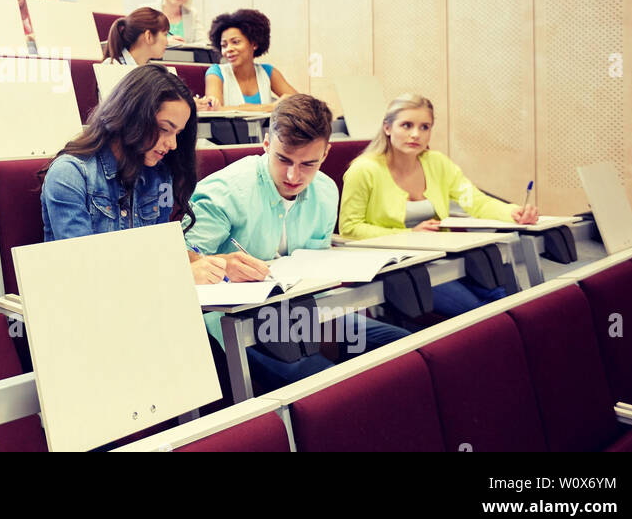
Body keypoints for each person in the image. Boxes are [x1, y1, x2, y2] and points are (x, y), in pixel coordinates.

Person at [184, 94, 410, 391]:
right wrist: (219, 266)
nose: (294, 175)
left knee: (405, 350)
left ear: (326, 153)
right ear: (266, 143)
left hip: (308, 314)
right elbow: (183, 262)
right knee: (326, 383)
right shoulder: (224, 192)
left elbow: (317, 267)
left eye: (308, 164)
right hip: (244, 326)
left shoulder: (327, 192)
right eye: (283, 159)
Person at [338, 93, 539, 316]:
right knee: (479, 313)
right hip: (398, 268)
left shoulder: (437, 163)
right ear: (387, 128)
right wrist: (408, 234)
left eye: (425, 127)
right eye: (406, 125)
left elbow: (475, 201)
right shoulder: (363, 170)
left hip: (442, 258)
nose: (416, 134)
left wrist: (514, 212)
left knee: (506, 297)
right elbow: (350, 228)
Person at [41, 65, 232, 284]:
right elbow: (85, 270)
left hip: (144, 300)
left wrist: (210, 262)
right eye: (164, 128)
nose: (172, 144)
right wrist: (179, 274)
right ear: (131, 116)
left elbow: (161, 251)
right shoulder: (70, 174)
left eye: (177, 133)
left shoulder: (161, 177)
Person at [202, 9, 297, 111]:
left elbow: (299, 103)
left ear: (254, 43)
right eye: (224, 45)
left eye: (235, 42)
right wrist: (272, 107)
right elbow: (214, 110)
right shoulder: (215, 73)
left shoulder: (268, 72)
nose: (228, 49)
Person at [103, 7, 169, 68]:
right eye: (165, 34)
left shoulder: (153, 71)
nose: (167, 43)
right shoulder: (112, 65)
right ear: (148, 36)